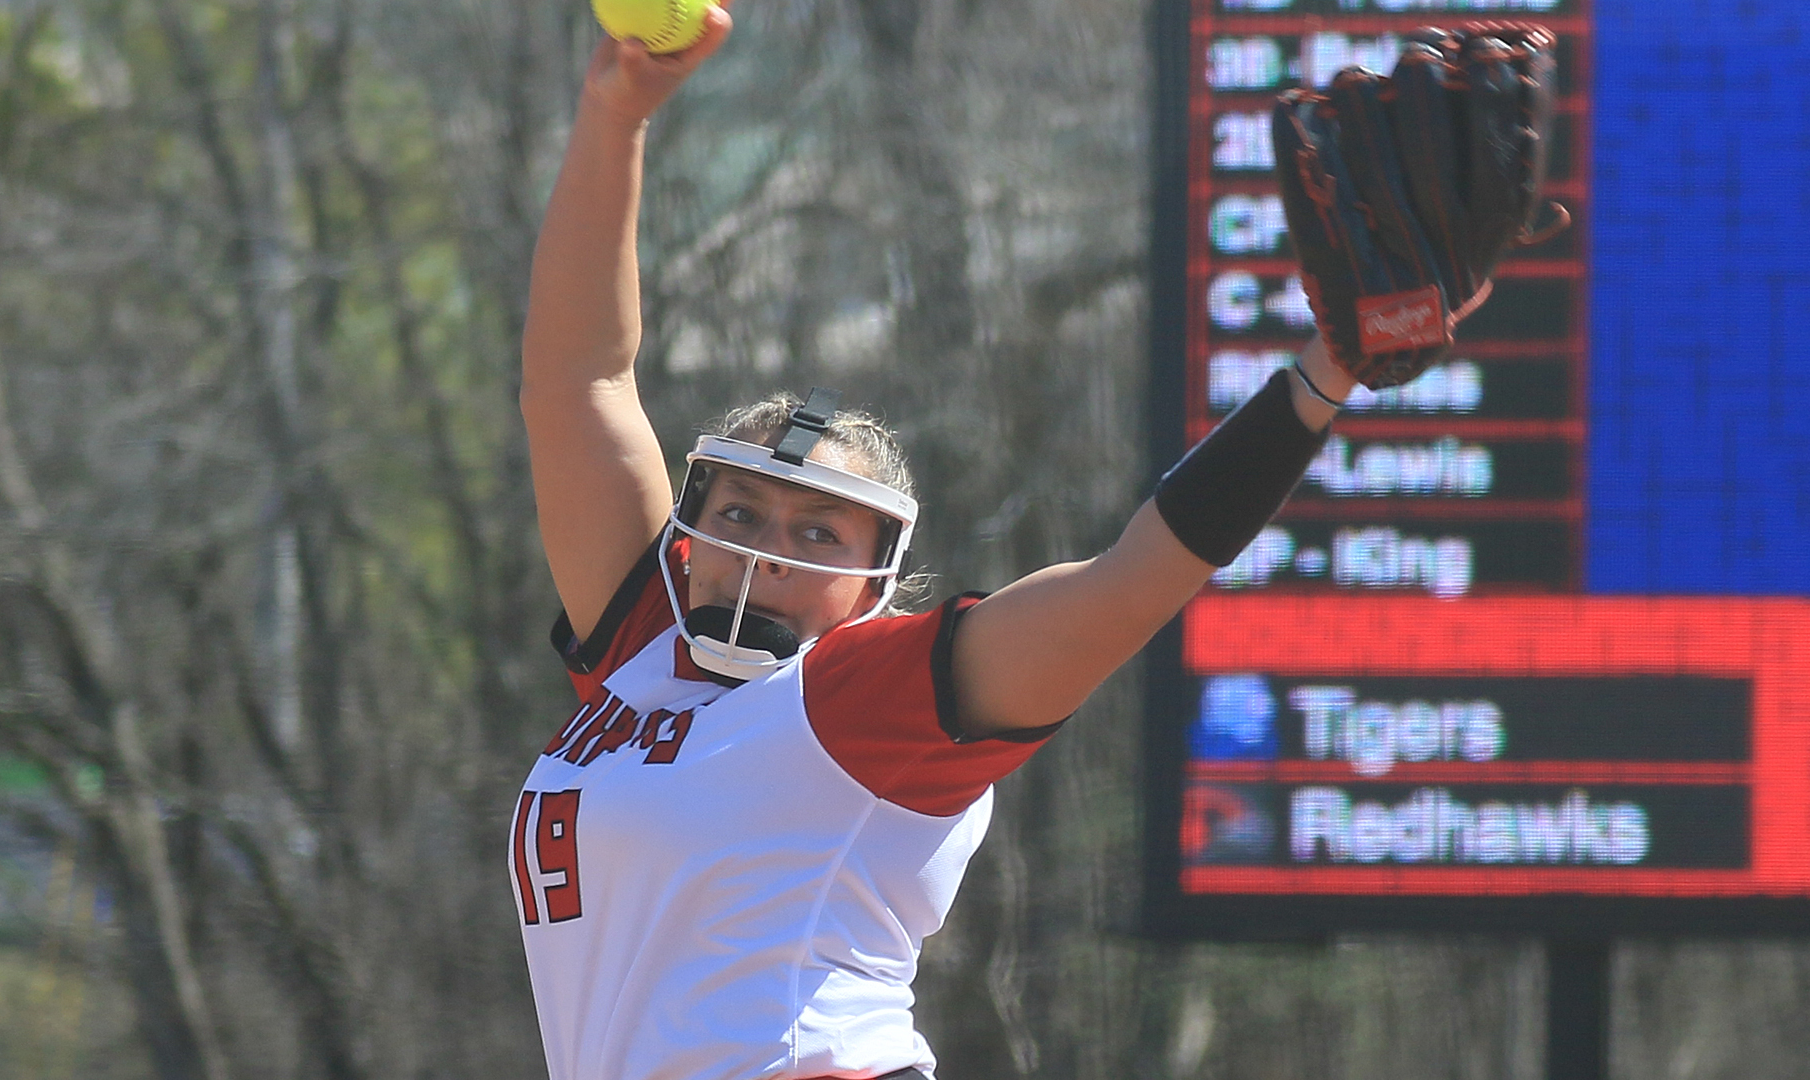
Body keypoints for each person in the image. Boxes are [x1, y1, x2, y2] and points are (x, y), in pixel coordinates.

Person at [510, 8, 1353, 1079]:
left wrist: (1321, 379)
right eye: (740, 514)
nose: (771, 548)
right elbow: (575, 382)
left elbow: (1129, 581)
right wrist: (614, 113)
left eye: (819, 528)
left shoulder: (860, 692)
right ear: (688, 538)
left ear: (877, 582)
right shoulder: (637, 649)